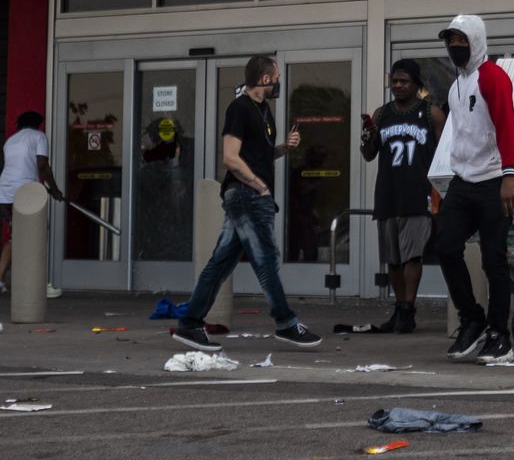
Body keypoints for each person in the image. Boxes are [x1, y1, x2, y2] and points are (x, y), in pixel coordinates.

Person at [172, 55, 323, 352]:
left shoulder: (264, 111)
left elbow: (258, 156)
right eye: (276, 76)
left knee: (221, 262)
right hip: (247, 195)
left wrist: (283, 148)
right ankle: (286, 322)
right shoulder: (239, 108)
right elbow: (230, 157)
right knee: (265, 258)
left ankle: (190, 323)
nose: (278, 82)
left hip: (248, 194)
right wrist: (259, 186)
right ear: (265, 79)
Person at [432, 14, 514, 365]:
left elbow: (507, 126)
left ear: (476, 42)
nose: (455, 48)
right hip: (463, 181)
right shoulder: (456, 87)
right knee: (445, 246)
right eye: (450, 42)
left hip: (493, 181)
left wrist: (509, 176)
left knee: (493, 260)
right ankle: (473, 319)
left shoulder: (493, 77)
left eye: (461, 41)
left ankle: (501, 335)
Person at [359, 58, 444, 334]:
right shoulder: (382, 114)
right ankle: (399, 308)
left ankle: (408, 308)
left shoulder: (431, 113)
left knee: (412, 256)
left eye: (404, 81)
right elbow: (369, 154)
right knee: (392, 258)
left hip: (418, 193)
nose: (397, 86)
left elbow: (445, 153)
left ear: (416, 84)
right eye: (394, 81)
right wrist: (369, 136)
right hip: (388, 192)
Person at [0, 111, 66, 297]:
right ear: (38, 124)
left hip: (4, 193)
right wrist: (55, 189)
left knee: (16, 237)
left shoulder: (10, 141)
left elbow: (18, 166)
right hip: (25, 193)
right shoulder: (39, 136)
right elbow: (42, 165)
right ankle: (40, 285)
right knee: (37, 235)